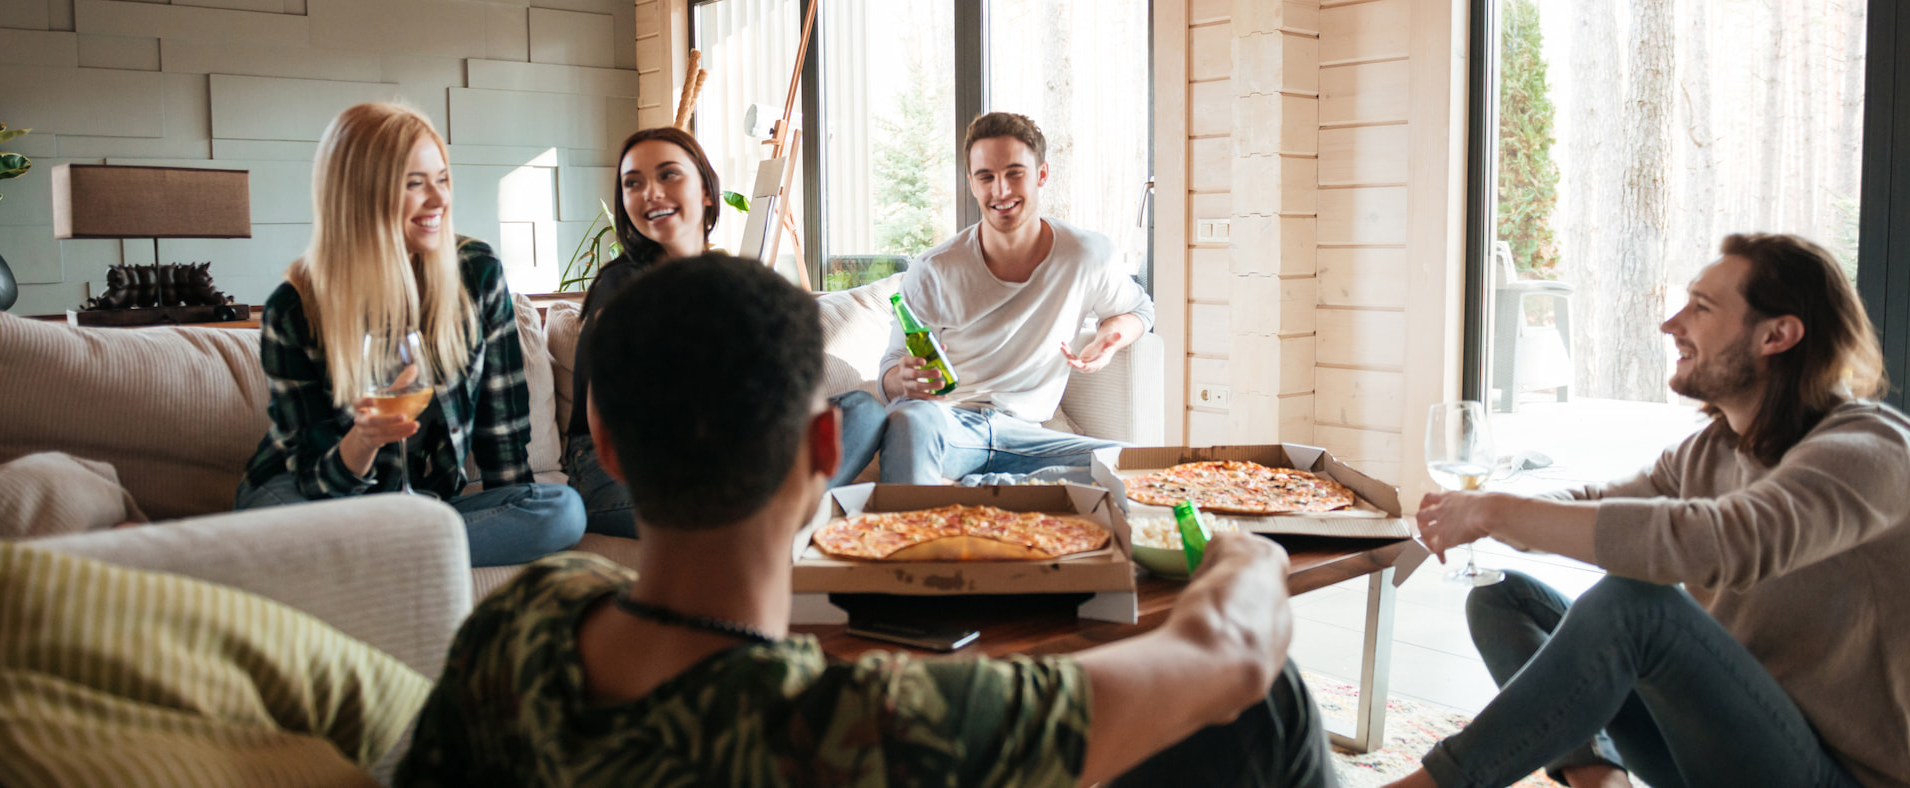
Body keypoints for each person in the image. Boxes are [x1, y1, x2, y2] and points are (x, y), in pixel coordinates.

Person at [397, 254, 1339, 787]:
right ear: (822, 452)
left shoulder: (521, 625)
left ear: (601, 434)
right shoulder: (865, 726)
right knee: (1273, 707)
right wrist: (1239, 548)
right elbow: (1232, 653)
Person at [1385, 234, 1909, 788]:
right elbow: (1598, 505)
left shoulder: (1870, 451)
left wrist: (1493, 511)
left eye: (1701, 307)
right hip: (1720, 748)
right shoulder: (1714, 449)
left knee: (1636, 605)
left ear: (1776, 334)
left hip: (1833, 776)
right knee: (1503, 597)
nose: (1671, 324)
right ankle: (1599, 781)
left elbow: (1722, 542)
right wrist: (1484, 510)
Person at [236, 102, 584, 568]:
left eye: (442, 179)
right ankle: (385, 556)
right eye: (414, 184)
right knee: (274, 527)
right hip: (313, 500)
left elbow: (501, 436)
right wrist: (363, 439)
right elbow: (314, 480)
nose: (439, 200)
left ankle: (360, 562)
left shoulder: (476, 276)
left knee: (561, 512)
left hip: (419, 507)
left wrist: (513, 514)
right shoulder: (296, 306)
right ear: (360, 193)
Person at [563, 127, 887, 538]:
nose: (650, 192)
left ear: (706, 193)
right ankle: (773, 514)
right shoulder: (624, 286)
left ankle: (770, 509)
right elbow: (605, 424)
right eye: (633, 183)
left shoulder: (728, 286)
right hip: (619, 468)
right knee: (727, 505)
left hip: (717, 456)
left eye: (668, 175)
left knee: (862, 411)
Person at [877, 112, 1155, 484]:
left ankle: (991, 488)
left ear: (1041, 175)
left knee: (1139, 468)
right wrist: (903, 380)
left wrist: (1112, 335)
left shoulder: (1086, 256)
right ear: (973, 185)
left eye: (1014, 173)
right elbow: (889, 372)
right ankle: (925, 523)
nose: (1001, 191)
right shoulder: (934, 269)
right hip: (949, 426)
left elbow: (1139, 309)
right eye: (986, 177)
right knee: (910, 420)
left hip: (1029, 436)